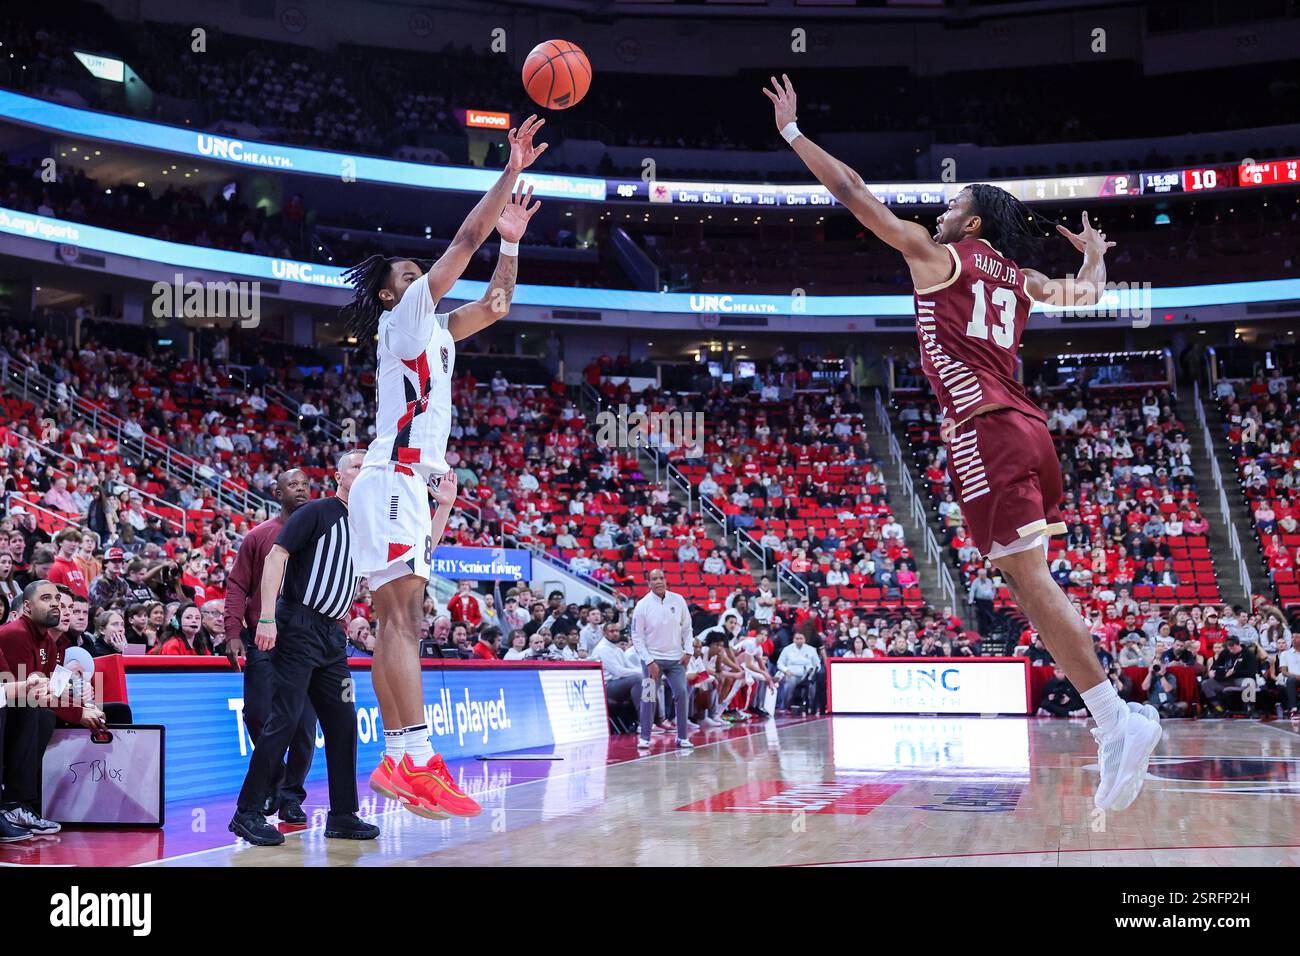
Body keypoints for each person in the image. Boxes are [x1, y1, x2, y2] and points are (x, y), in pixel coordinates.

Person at [762, 73, 1158, 812]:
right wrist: (1095, 255)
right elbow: (1090, 294)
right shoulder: (1021, 277)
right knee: (1027, 582)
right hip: (1027, 427)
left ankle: (1116, 721)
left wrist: (791, 133)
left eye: (950, 206)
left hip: (985, 427)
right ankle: (1112, 720)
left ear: (971, 224)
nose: (938, 212)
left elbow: (850, 190)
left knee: (1029, 582)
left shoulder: (935, 257)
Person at [343, 119, 545, 820]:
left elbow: (497, 305)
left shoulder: (437, 330)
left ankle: (399, 758)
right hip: (393, 476)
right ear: (393, 295)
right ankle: (419, 757)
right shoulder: (403, 320)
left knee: (396, 620)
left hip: (400, 483)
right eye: (409, 275)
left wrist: (511, 244)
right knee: (403, 620)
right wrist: (510, 172)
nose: (420, 277)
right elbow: (462, 242)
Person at [228, 451, 378, 847]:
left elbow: (418, 547)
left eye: (369, 467)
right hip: (298, 624)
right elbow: (276, 556)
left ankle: (342, 814)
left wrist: (444, 506)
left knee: (343, 723)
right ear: (338, 476)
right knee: (284, 720)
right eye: (356, 466)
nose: (363, 472)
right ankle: (248, 812)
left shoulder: (369, 521)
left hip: (332, 635)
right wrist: (266, 617)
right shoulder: (316, 512)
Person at [223, 468, 318, 821]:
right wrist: (232, 631)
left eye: (305, 485)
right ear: (278, 493)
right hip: (263, 637)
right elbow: (237, 585)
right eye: (293, 485)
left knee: (304, 724)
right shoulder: (258, 536)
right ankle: (277, 780)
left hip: (308, 640)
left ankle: (291, 796)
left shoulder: (320, 537)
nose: (301, 490)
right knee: (257, 714)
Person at [0, 581, 106, 836]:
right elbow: (29, 694)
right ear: (27, 607)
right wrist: (78, 713)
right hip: (10, 706)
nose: (56, 605)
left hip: (21, 703)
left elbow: (50, 691)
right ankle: (14, 802)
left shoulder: (48, 641)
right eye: (46, 599)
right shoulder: (15, 634)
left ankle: (28, 803)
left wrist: (83, 706)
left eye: (58, 600)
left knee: (51, 714)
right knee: (35, 712)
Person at [630, 568, 694, 750]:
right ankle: (645, 737)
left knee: (682, 693)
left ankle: (682, 737)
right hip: (652, 659)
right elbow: (636, 636)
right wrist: (648, 661)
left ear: (666, 580)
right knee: (648, 696)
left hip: (676, 659)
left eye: (661, 578)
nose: (658, 581)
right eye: (654, 579)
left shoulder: (678, 600)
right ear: (648, 583)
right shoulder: (642, 605)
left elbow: (687, 628)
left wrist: (689, 651)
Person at [0, 648, 52, 842]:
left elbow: (7, 684)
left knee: (32, 709)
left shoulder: (51, 643)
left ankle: (14, 804)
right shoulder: (16, 636)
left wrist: (34, 687)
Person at [590, 621, 642, 717]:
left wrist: (646, 673)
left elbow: (630, 666)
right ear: (604, 633)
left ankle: (658, 718)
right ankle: (644, 721)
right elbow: (618, 672)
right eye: (612, 631)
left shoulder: (617, 649)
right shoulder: (602, 649)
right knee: (638, 679)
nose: (615, 633)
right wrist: (641, 673)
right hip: (606, 687)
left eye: (617, 631)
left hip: (617, 683)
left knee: (650, 681)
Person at [1202, 635, 1259, 716]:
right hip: (1226, 680)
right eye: (1229, 648)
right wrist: (1212, 671)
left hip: (1241, 679)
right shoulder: (1225, 652)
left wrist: (1234, 672)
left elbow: (1251, 672)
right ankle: (1218, 708)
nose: (1231, 650)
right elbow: (1216, 665)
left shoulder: (1248, 655)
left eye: (1233, 648)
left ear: (1238, 644)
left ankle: (1250, 708)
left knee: (1249, 682)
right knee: (1206, 684)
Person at [1276, 632, 1300, 720]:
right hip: (1293, 679)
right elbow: (1284, 671)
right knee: (1290, 680)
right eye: (1292, 637)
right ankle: (1294, 710)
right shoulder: (1285, 654)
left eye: (1297, 637)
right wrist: (1297, 676)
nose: (1294, 639)